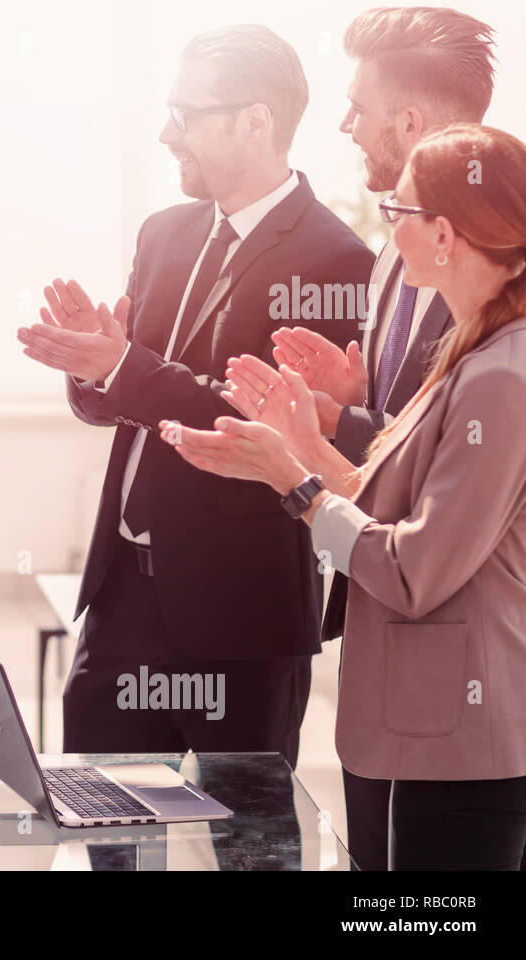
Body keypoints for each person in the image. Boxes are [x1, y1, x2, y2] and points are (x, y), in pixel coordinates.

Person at [163, 123, 526, 871]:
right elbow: (383, 502)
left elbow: (412, 569)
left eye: (402, 212)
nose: (387, 224)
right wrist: (304, 444)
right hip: (424, 733)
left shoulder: (499, 376)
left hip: (460, 744)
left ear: (446, 236)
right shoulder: (472, 348)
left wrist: (290, 483)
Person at [17, 25, 373, 767]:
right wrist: (93, 367)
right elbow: (120, 404)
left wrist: (124, 364)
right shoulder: (164, 235)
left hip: (241, 615)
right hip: (122, 604)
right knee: (107, 828)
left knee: (248, 844)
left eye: (185, 113)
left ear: (256, 121)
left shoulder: (337, 259)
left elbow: (261, 428)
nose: (164, 133)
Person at [264, 5, 496, 871]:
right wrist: (346, 405)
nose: (343, 123)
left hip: (461, 660)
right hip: (384, 637)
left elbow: (456, 462)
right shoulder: (393, 253)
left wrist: (298, 460)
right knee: (383, 888)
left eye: (357, 105)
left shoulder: (490, 266)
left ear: (411, 121)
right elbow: (407, 429)